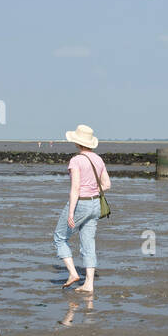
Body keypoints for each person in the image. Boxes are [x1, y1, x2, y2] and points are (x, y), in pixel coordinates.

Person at [52, 123, 111, 293]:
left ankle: (73, 274)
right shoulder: (98, 159)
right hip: (95, 205)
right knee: (88, 243)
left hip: (81, 203)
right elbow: (107, 184)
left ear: (77, 142)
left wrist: (71, 212)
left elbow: (75, 189)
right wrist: (93, 187)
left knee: (59, 237)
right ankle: (89, 284)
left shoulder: (76, 160)